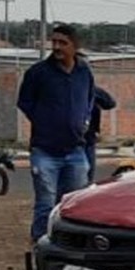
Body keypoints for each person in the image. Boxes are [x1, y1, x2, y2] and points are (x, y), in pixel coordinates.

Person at [17, 23, 95, 243]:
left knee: (75, 201)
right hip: (45, 150)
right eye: (54, 42)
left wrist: (85, 119)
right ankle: (42, 246)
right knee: (46, 202)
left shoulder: (84, 71)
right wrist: (44, 121)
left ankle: (70, 242)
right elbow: (25, 102)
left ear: (75, 46)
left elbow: (89, 98)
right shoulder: (38, 72)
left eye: (63, 43)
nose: (57, 47)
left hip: (76, 150)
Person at [84, 85, 117, 181]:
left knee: (86, 179)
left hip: (88, 139)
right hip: (72, 142)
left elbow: (110, 103)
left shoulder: (90, 90)